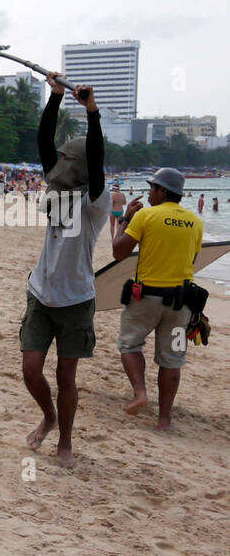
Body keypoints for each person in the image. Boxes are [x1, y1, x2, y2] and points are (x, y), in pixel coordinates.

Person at [20, 76, 109, 468]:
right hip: (41, 291)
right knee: (30, 369)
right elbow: (43, 142)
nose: (56, 165)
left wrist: (92, 112)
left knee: (66, 377)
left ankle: (66, 441)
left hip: (75, 299)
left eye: (67, 161)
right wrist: (55, 98)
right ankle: (49, 417)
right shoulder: (57, 189)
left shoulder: (96, 200)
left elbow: (97, 156)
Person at [111, 167, 203, 430]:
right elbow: (191, 262)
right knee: (173, 359)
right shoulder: (196, 222)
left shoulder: (146, 216)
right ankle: (164, 420)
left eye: (152, 188)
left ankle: (140, 393)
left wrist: (125, 219)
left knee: (130, 345)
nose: (149, 193)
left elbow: (119, 252)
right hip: (181, 304)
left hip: (145, 299)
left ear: (162, 191)